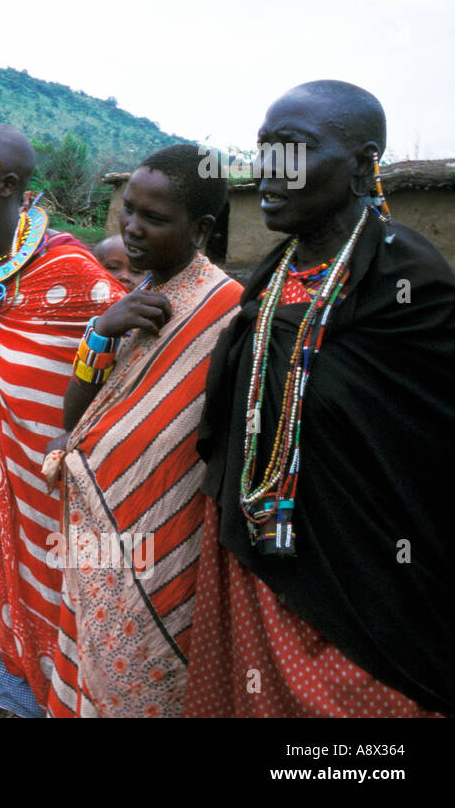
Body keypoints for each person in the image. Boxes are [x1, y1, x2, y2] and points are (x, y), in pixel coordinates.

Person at [183, 81, 455, 717]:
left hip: (367, 563)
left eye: (293, 151)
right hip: (260, 545)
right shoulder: (276, 272)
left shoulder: (404, 278)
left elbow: (428, 435)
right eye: (263, 150)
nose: (267, 172)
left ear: (362, 165)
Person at [42, 144, 242, 717]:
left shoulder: (227, 310)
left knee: (155, 677)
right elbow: (74, 418)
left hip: (169, 521)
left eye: (153, 218)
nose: (131, 228)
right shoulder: (135, 297)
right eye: (128, 210)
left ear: (200, 227)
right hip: (102, 523)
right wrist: (101, 333)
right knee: (97, 669)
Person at [0, 123, 122, 716]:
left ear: (9, 185)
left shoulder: (70, 273)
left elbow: (125, 372)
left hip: (50, 488)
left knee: (55, 601)